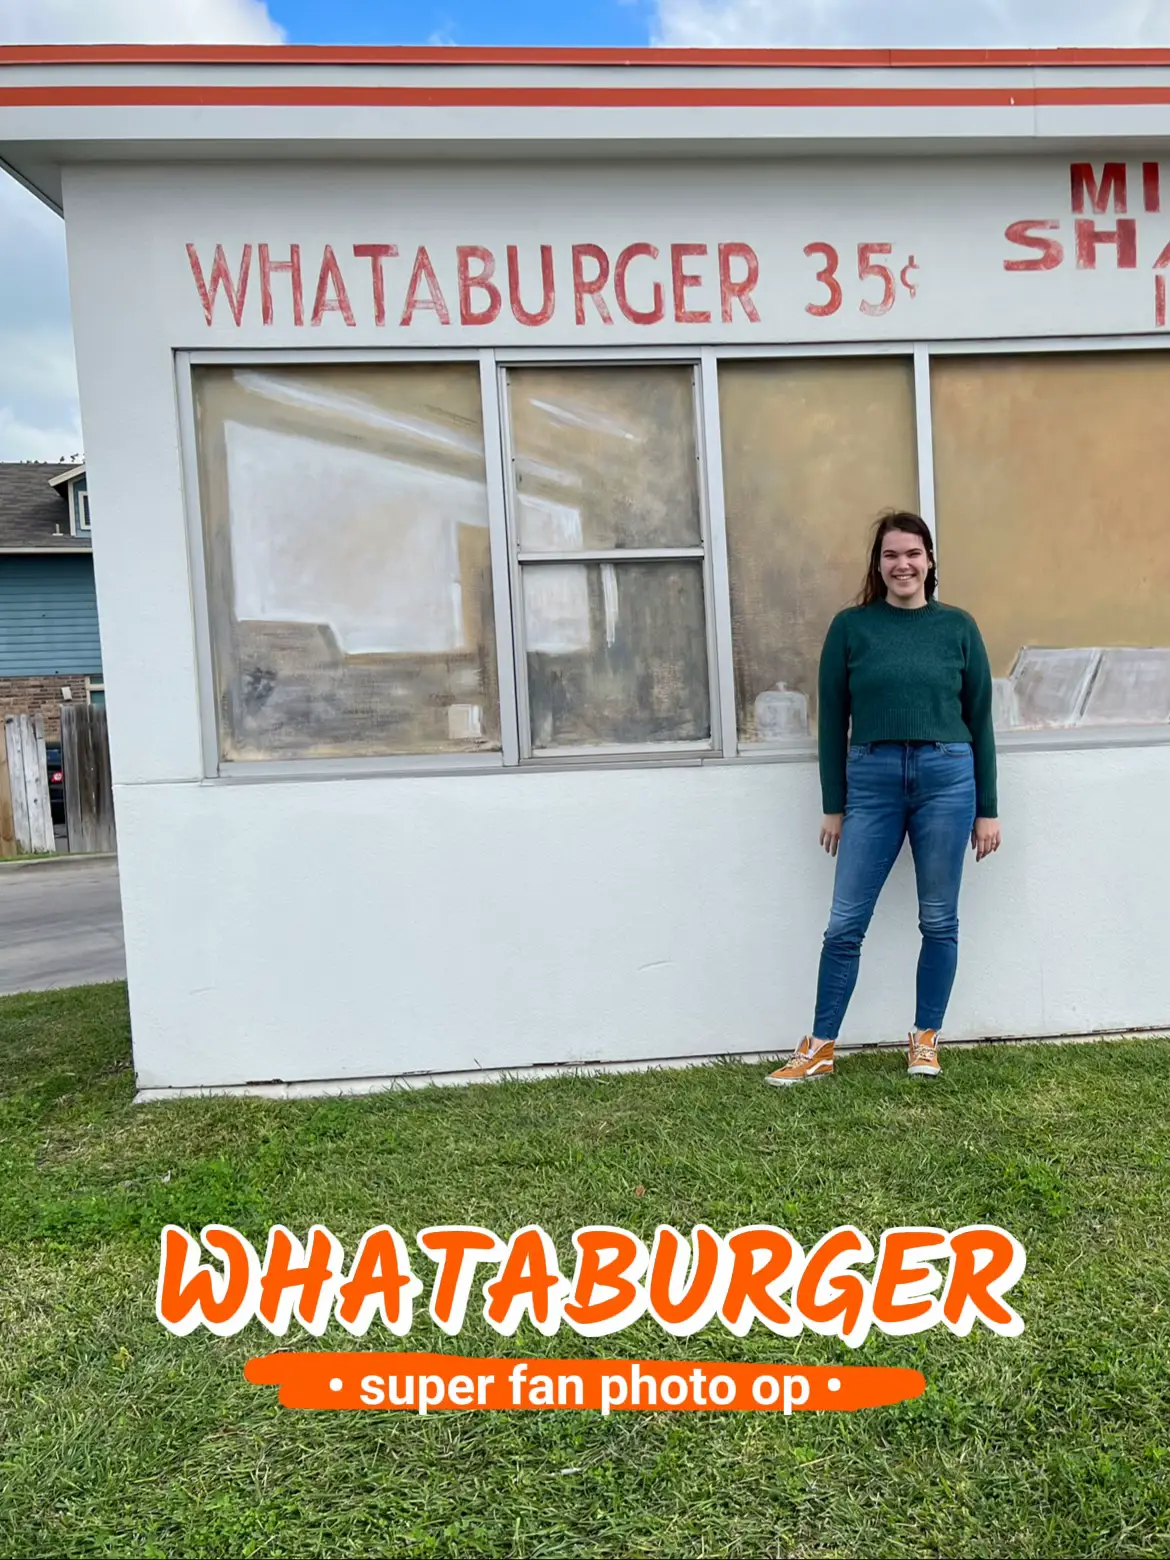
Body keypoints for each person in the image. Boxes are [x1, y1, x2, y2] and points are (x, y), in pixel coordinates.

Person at [765, 511, 1001, 1087]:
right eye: (892, 555)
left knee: (939, 919)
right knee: (844, 924)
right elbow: (832, 722)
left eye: (913, 554)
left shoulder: (959, 628)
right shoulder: (851, 628)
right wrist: (833, 802)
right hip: (871, 780)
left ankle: (925, 1039)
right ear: (878, 564)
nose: (903, 565)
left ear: (929, 562)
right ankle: (819, 1046)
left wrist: (988, 809)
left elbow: (981, 720)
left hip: (948, 777)